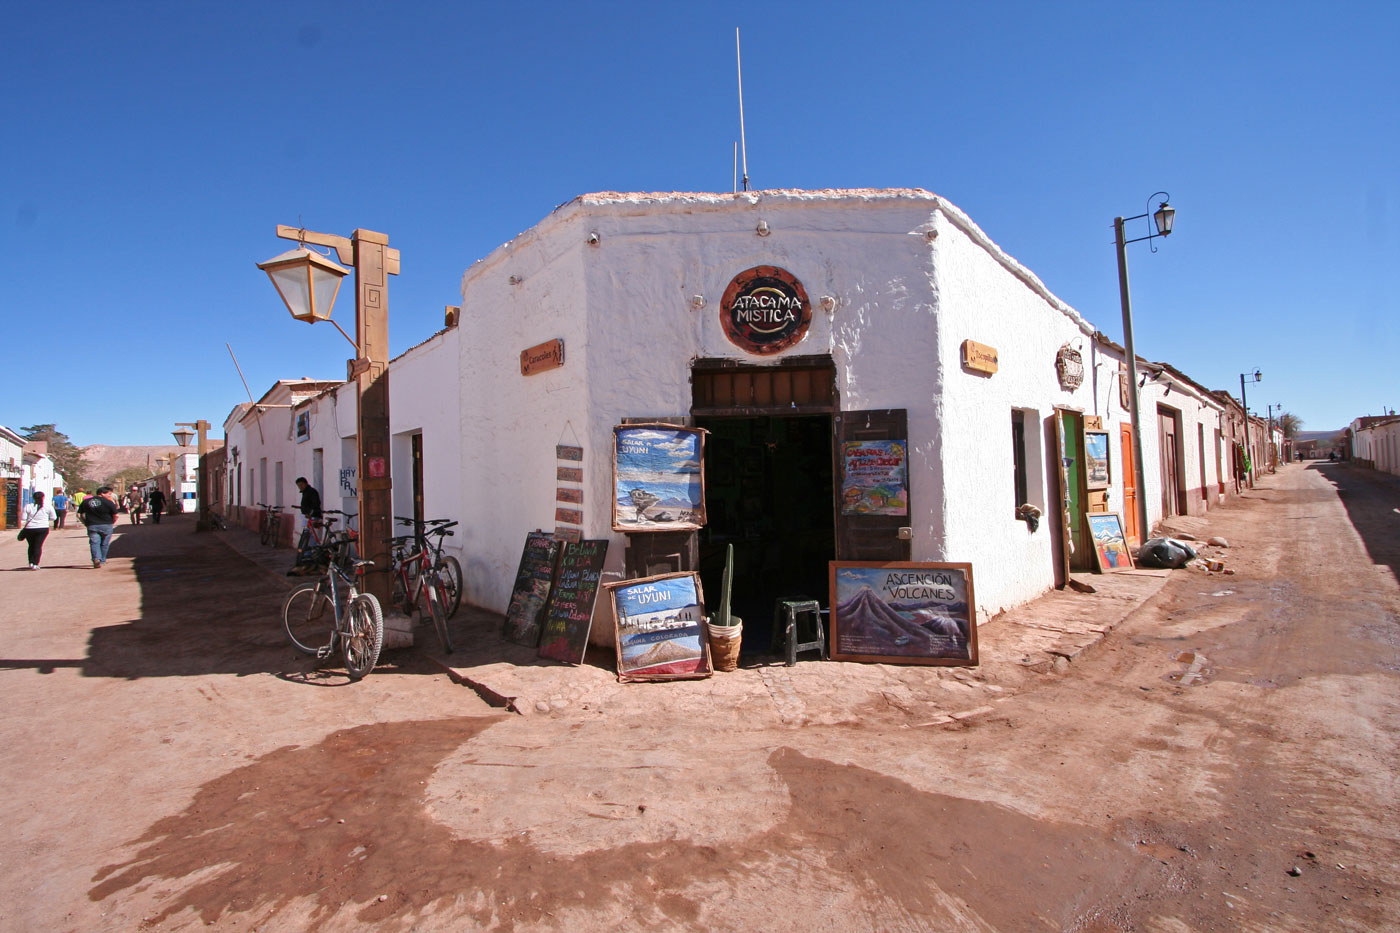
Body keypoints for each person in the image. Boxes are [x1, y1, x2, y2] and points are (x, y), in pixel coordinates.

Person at [79, 485, 120, 568]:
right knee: (105, 543)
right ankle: (102, 560)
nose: (110, 496)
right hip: (106, 525)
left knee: (94, 542)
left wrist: (85, 522)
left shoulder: (86, 502)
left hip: (92, 525)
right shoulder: (108, 502)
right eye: (109, 494)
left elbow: (79, 514)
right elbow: (116, 515)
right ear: (102, 493)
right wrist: (112, 522)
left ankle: (96, 558)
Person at [18, 492, 57, 570]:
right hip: (43, 528)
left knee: (31, 545)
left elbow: (23, 518)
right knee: (38, 545)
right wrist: (44, 519)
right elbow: (54, 518)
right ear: (43, 497)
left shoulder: (28, 506)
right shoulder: (48, 507)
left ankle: (31, 562)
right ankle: (35, 563)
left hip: (29, 528)